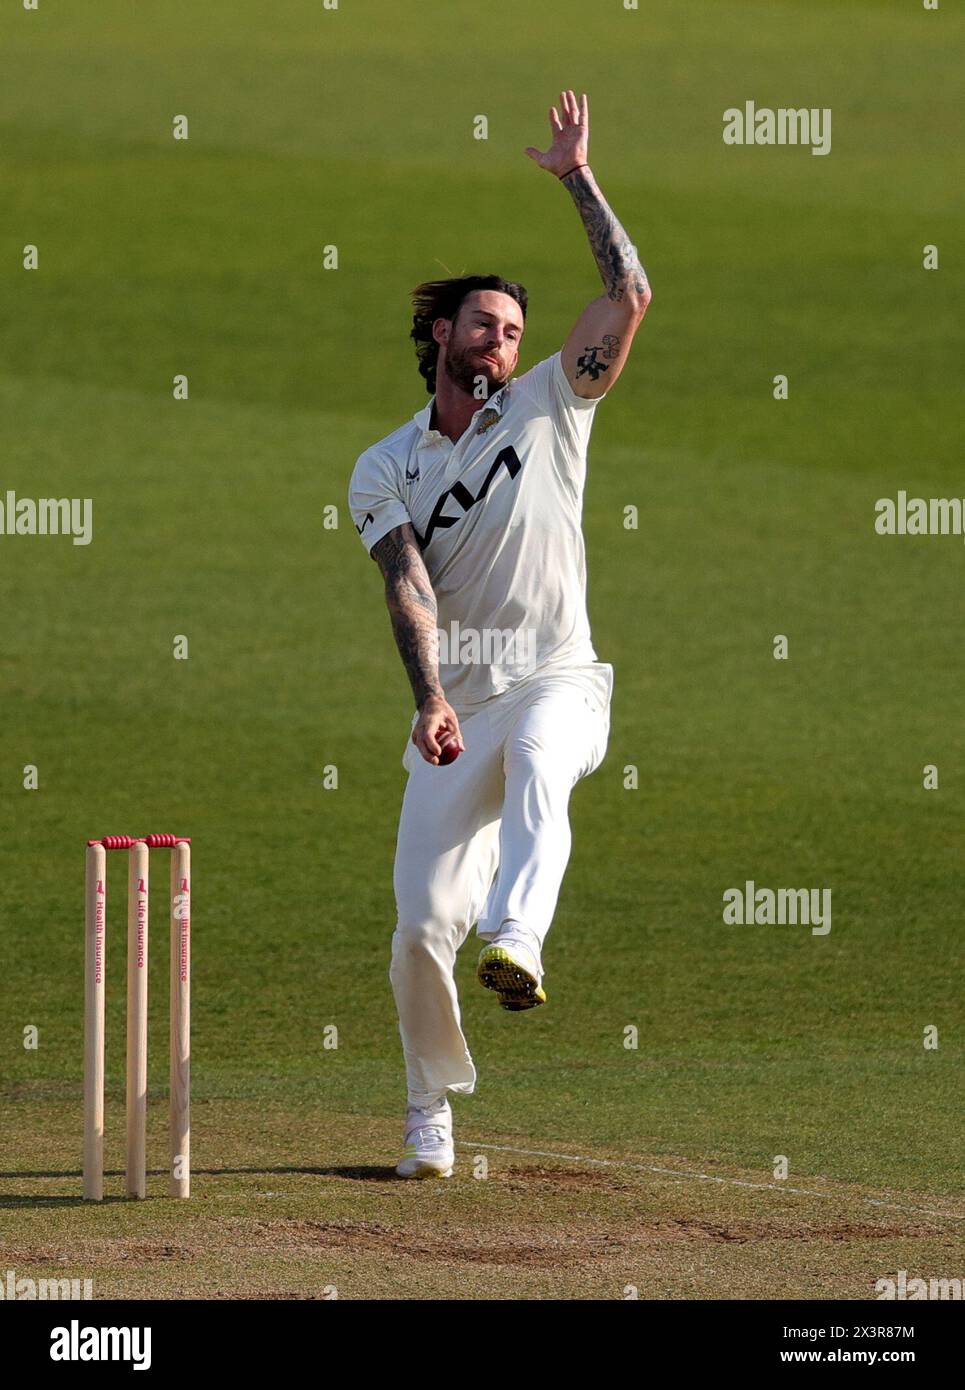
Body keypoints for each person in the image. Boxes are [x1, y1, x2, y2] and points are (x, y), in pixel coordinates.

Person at [348, 91, 652, 1178]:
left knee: (541, 765)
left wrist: (577, 176)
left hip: (559, 680)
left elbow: (629, 294)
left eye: (514, 331)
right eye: (483, 325)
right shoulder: (384, 467)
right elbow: (406, 584)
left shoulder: (549, 405)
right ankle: (430, 1108)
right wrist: (428, 696)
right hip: (456, 707)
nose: (501, 342)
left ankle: (519, 938)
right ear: (441, 335)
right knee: (417, 926)